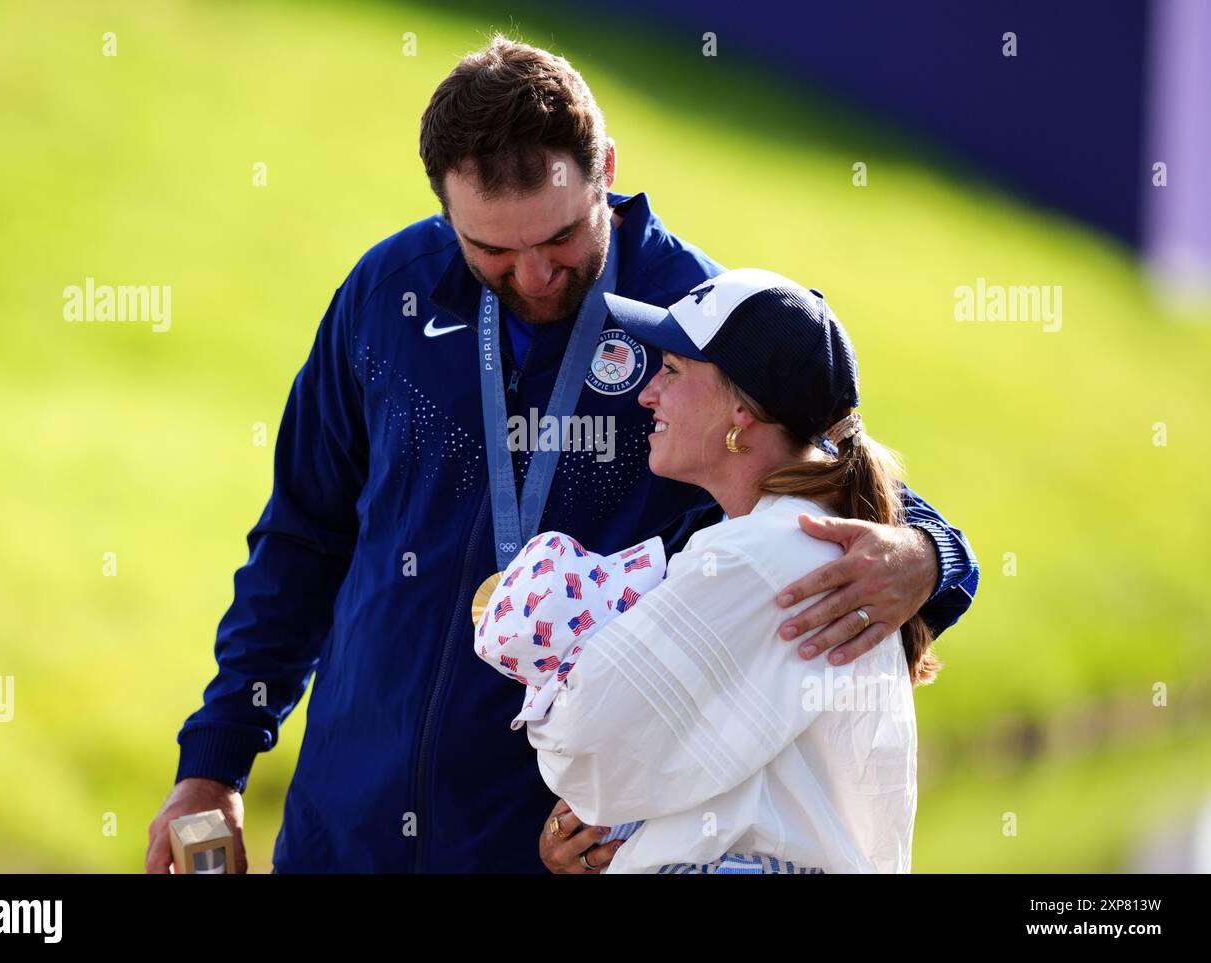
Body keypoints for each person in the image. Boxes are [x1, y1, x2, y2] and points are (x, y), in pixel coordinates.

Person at [145, 36, 978, 875]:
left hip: (554, 847)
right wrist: (215, 761)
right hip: (344, 832)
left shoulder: (695, 323)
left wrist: (932, 557)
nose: (536, 276)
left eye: (561, 239)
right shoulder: (384, 295)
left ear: (606, 169)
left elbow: (838, 475)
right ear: (443, 209)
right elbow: (301, 537)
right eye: (494, 254)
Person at [478, 268, 932, 873]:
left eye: (672, 371)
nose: (647, 394)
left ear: (743, 409)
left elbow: (584, 755)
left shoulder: (758, 554)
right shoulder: (785, 540)